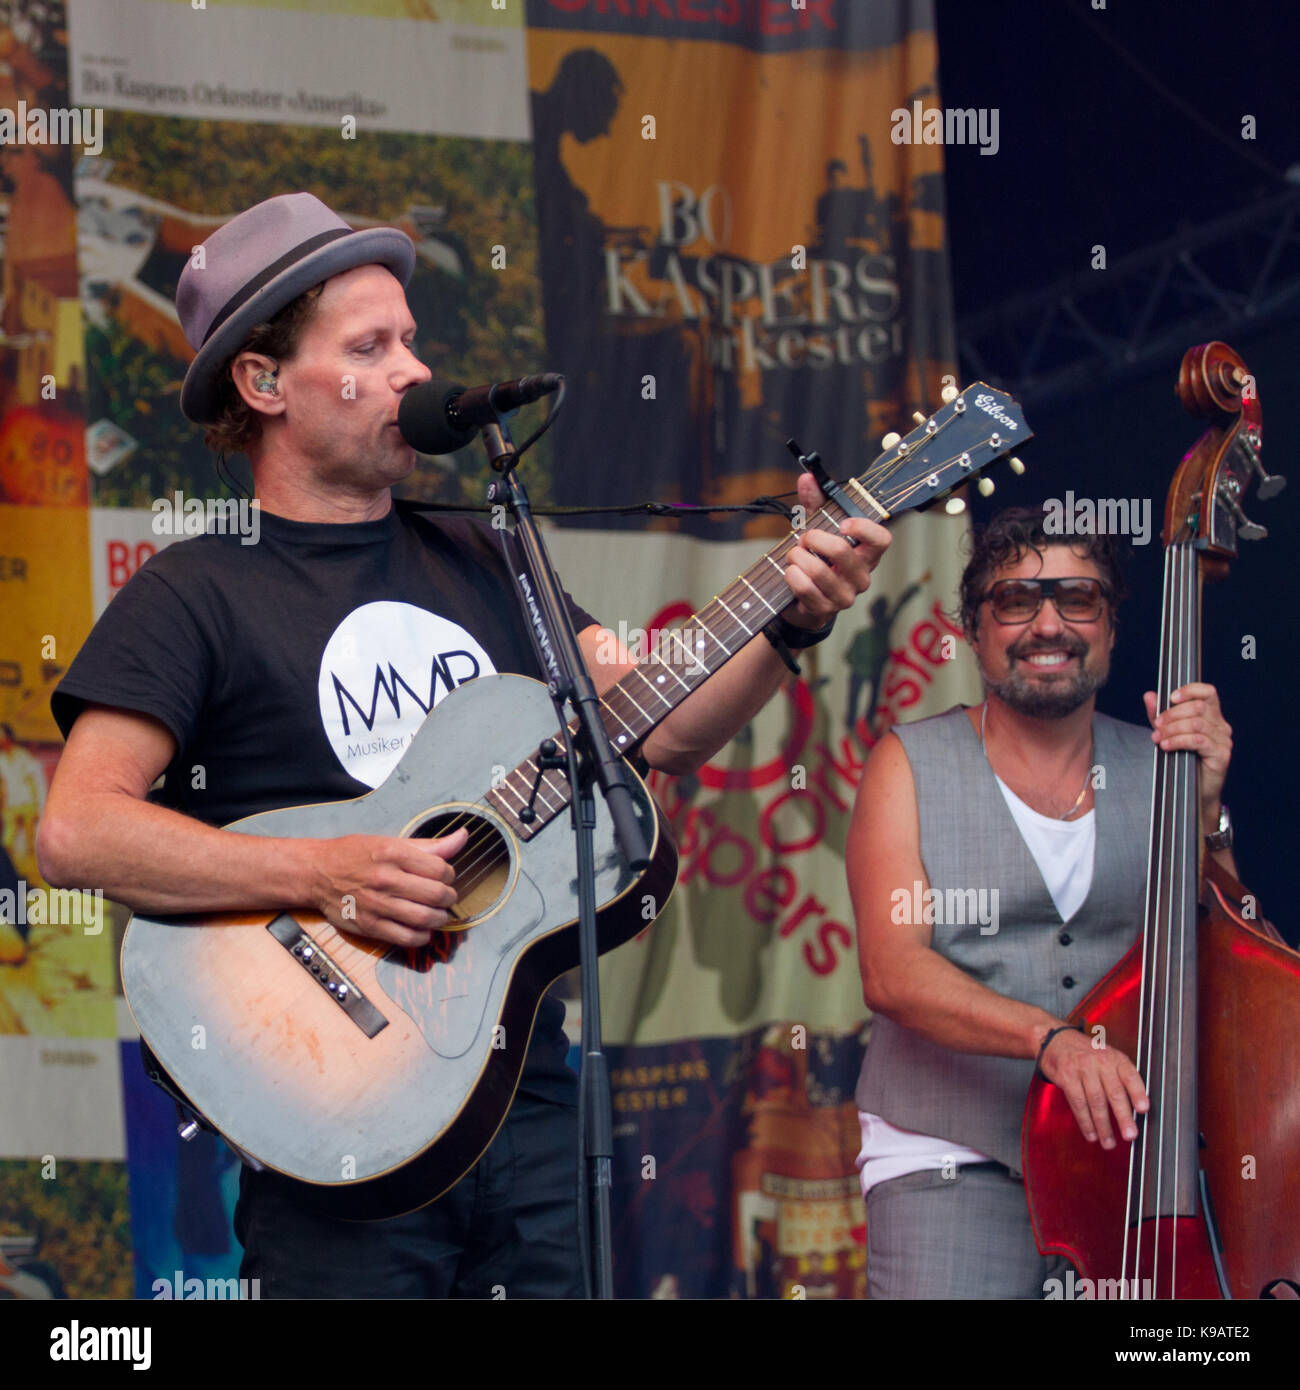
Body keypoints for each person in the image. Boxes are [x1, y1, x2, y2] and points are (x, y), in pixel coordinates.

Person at [35, 192, 890, 1298]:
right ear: (262, 384)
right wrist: (321, 870)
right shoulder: (197, 590)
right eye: (369, 346)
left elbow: (654, 723)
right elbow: (77, 830)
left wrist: (795, 613)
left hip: (526, 1098)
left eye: (411, 339)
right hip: (333, 1102)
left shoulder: (485, 554)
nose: (410, 369)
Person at [847, 506, 1235, 1300]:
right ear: (973, 631)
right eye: (1016, 601)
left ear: (1113, 628)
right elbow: (892, 973)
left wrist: (1209, 814)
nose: (1048, 624)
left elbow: (1228, 954)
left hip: (1129, 1163)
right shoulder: (907, 764)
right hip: (952, 1156)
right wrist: (1051, 1041)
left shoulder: (1164, 769)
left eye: (1078, 599)